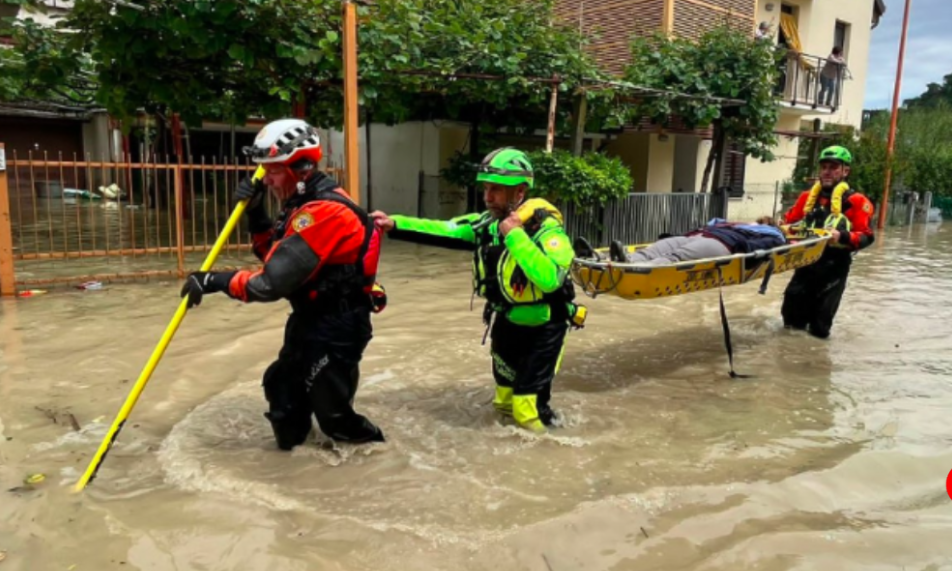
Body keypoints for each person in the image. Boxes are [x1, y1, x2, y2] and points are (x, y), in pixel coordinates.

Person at [180, 118, 387, 450]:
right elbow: (271, 257)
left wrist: (213, 280)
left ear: (302, 168)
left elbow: (269, 284)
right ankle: (294, 468)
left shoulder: (324, 211)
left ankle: (383, 461)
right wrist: (257, 213)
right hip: (308, 318)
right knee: (283, 390)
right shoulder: (298, 205)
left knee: (334, 417)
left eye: (272, 171)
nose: (265, 179)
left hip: (337, 326)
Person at [371, 148, 581, 434]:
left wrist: (515, 234)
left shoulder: (548, 231)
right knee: (503, 402)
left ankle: (552, 455)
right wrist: (395, 223)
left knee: (526, 409)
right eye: (485, 188)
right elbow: (447, 229)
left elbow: (550, 279)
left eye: (496, 189)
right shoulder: (487, 225)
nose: (487, 196)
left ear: (519, 193)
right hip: (507, 322)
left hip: (545, 327)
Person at [780, 145, 874, 339]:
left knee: (820, 327)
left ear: (845, 171)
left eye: (833, 167)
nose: (827, 172)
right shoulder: (807, 198)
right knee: (790, 320)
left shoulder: (857, 201)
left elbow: (867, 236)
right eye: (824, 167)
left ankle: (816, 364)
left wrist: (843, 237)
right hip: (805, 263)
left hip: (835, 266)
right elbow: (788, 223)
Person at [574, 217, 787, 265]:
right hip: (696, 235)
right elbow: (710, 222)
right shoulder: (730, 222)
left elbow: (771, 246)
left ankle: (632, 271)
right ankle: (598, 259)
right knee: (651, 251)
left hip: (723, 245)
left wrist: (744, 251)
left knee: (673, 258)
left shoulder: (771, 232)